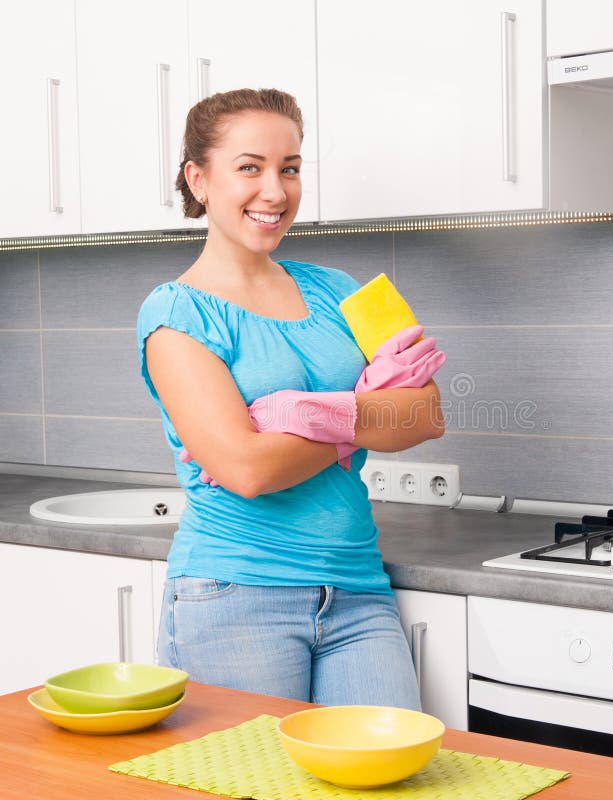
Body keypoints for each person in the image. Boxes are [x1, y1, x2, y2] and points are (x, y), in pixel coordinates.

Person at [136, 88, 446, 708]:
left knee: (386, 778)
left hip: (358, 588)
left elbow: (428, 413)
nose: (275, 191)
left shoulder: (345, 288)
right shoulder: (173, 313)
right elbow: (247, 471)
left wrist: (302, 418)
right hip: (234, 593)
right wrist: (364, 408)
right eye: (249, 167)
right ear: (199, 180)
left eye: (291, 168)